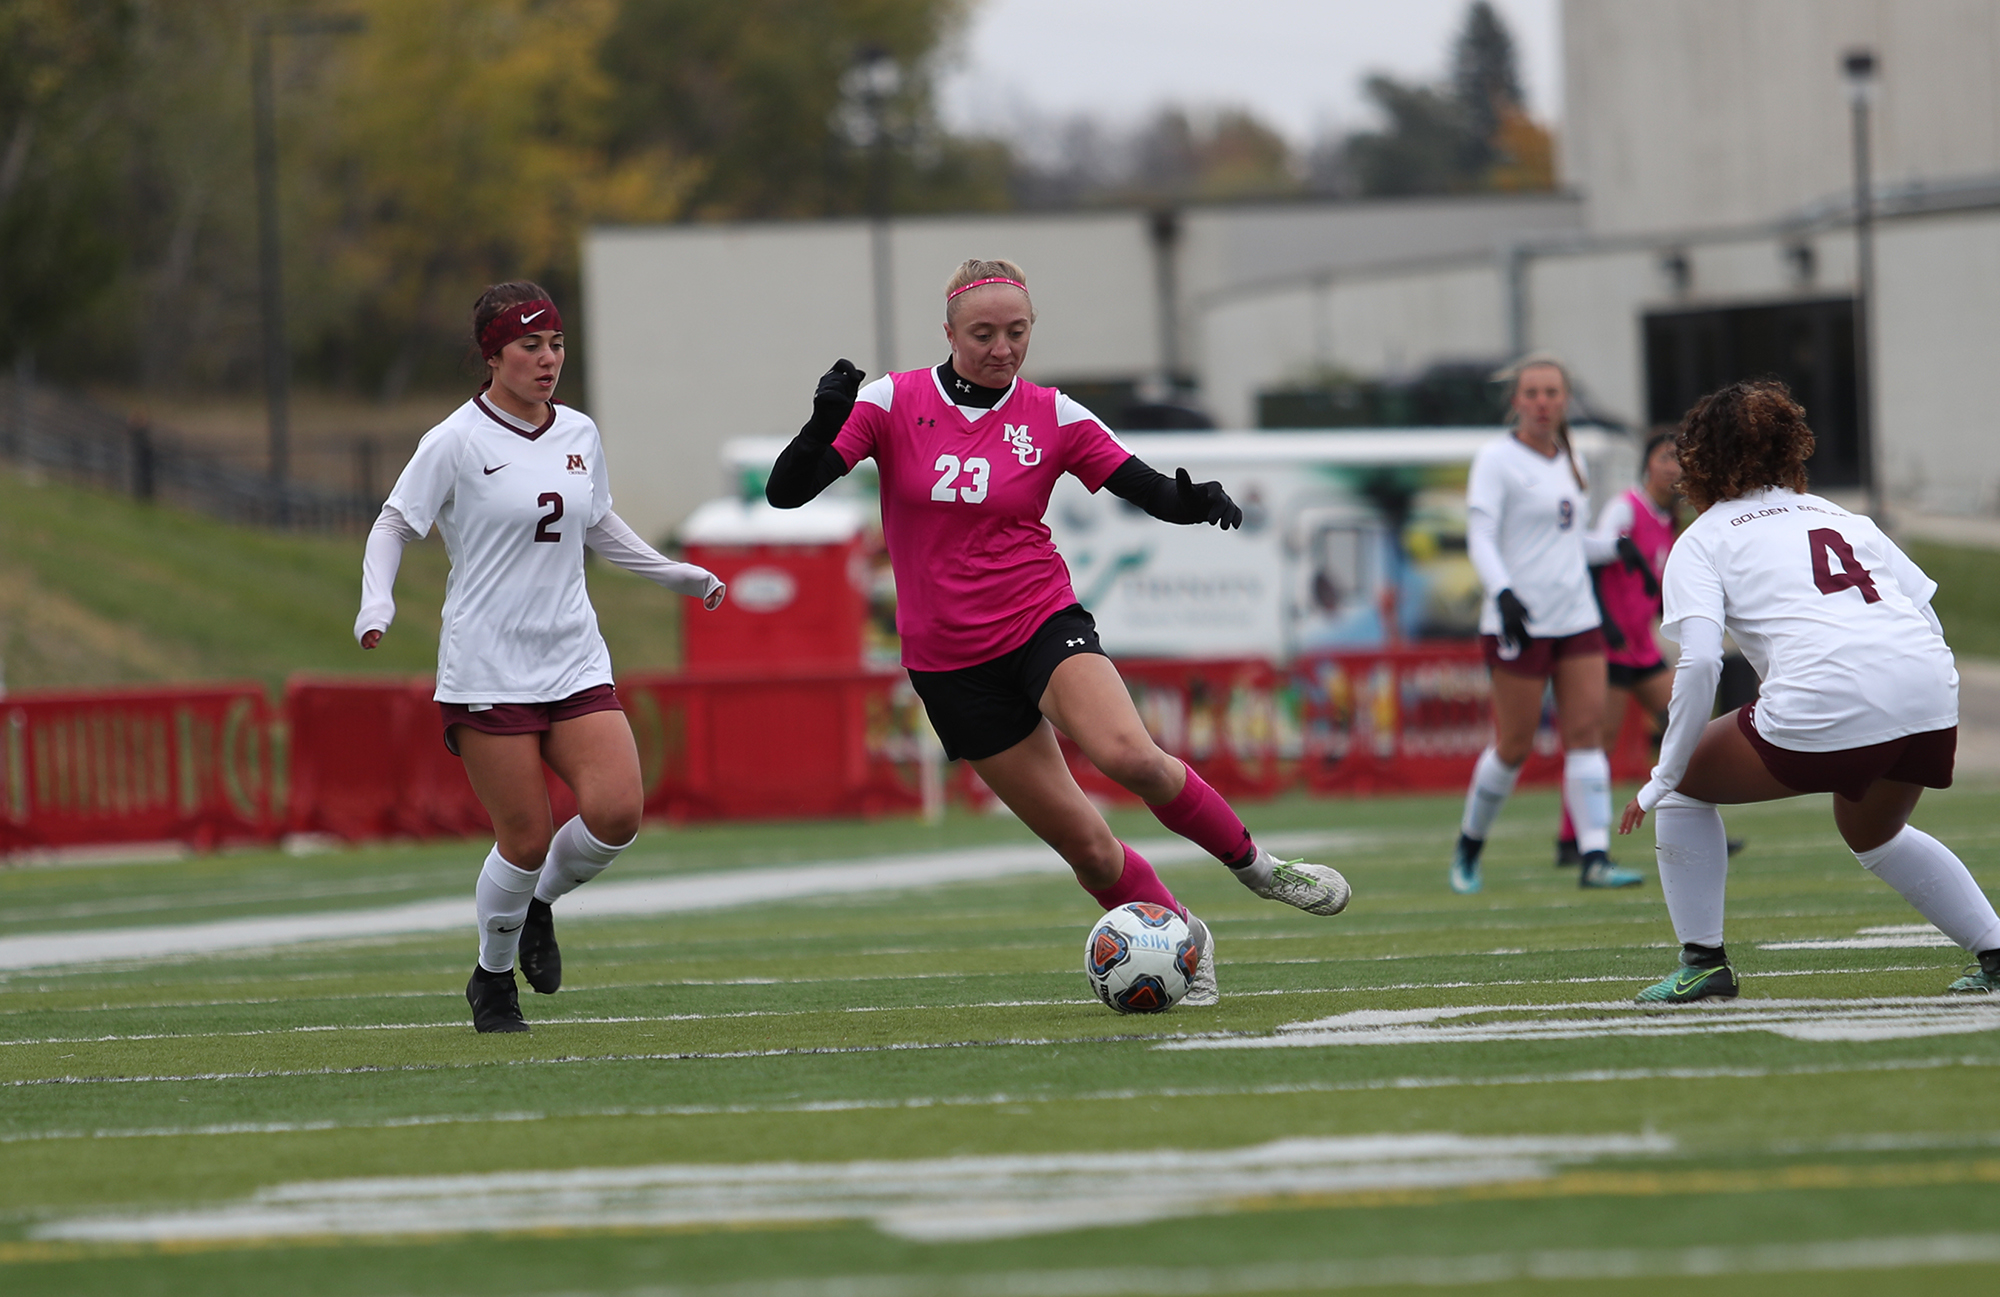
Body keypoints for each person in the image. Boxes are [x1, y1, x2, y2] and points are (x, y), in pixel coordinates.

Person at [765, 257, 1351, 1006]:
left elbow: (1144, 486)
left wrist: (1195, 499)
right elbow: (787, 494)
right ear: (947, 332)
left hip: (1039, 619)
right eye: (982, 334)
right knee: (1087, 844)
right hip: (948, 665)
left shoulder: (1053, 414)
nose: (1001, 348)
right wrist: (822, 423)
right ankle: (1185, 936)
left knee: (1128, 754)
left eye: (1016, 332)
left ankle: (1259, 867)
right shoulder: (891, 401)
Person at [354, 281, 727, 1033]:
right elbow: (395, 523)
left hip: (572, 654)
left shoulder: (581, 433)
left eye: (555, 344)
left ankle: (538, 908)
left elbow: (599, 524)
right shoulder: (455, 439)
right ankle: (491, 983)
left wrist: (674, 572)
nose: (547, 358)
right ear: (493, 355)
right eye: (530, 345)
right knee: (523, 837)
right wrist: (377, 601)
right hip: (488, 661)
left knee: (618, 810)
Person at [1619, 379, 2000, 1001]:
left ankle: (1704, 961)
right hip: (1931, 695)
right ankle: (1997, 950)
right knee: (1872, 833)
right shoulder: (1841, 516)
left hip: (1830, 702)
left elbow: (1698, 667)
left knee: (1686, 788)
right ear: (1790, 448)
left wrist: (1665, 772)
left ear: (1699, 459)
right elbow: (1924, 615)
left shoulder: (1705, 537)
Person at [1449, 355, 1643, 893]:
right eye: (1531, 393)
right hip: (1521, 621)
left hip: (1576, 617)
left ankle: (1595, 857)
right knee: (1513, 746)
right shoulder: (1496, 459)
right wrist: (1504, 592)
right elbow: (1482, 537)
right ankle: (1469, 846)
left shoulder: (1567, 459)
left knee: (1586, 736)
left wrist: (1615, 549)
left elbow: (1567, 543)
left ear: (1564, 400)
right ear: (1516, 401)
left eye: (1552, 393)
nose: (1542, 402)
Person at [1553, 430, 1682, 867]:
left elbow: (1655, 588)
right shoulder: (1625, 508)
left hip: (1642, 649)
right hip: (1609, 649)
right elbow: (1592, 561)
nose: (1674, 467)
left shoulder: (1670, 520)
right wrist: (1605, 627)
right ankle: (1571, 841)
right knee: (1595, 747)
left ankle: (1693, 821)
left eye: (1681, 459)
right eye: (1666, 457)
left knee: (1688, 726)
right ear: (1647, 464)